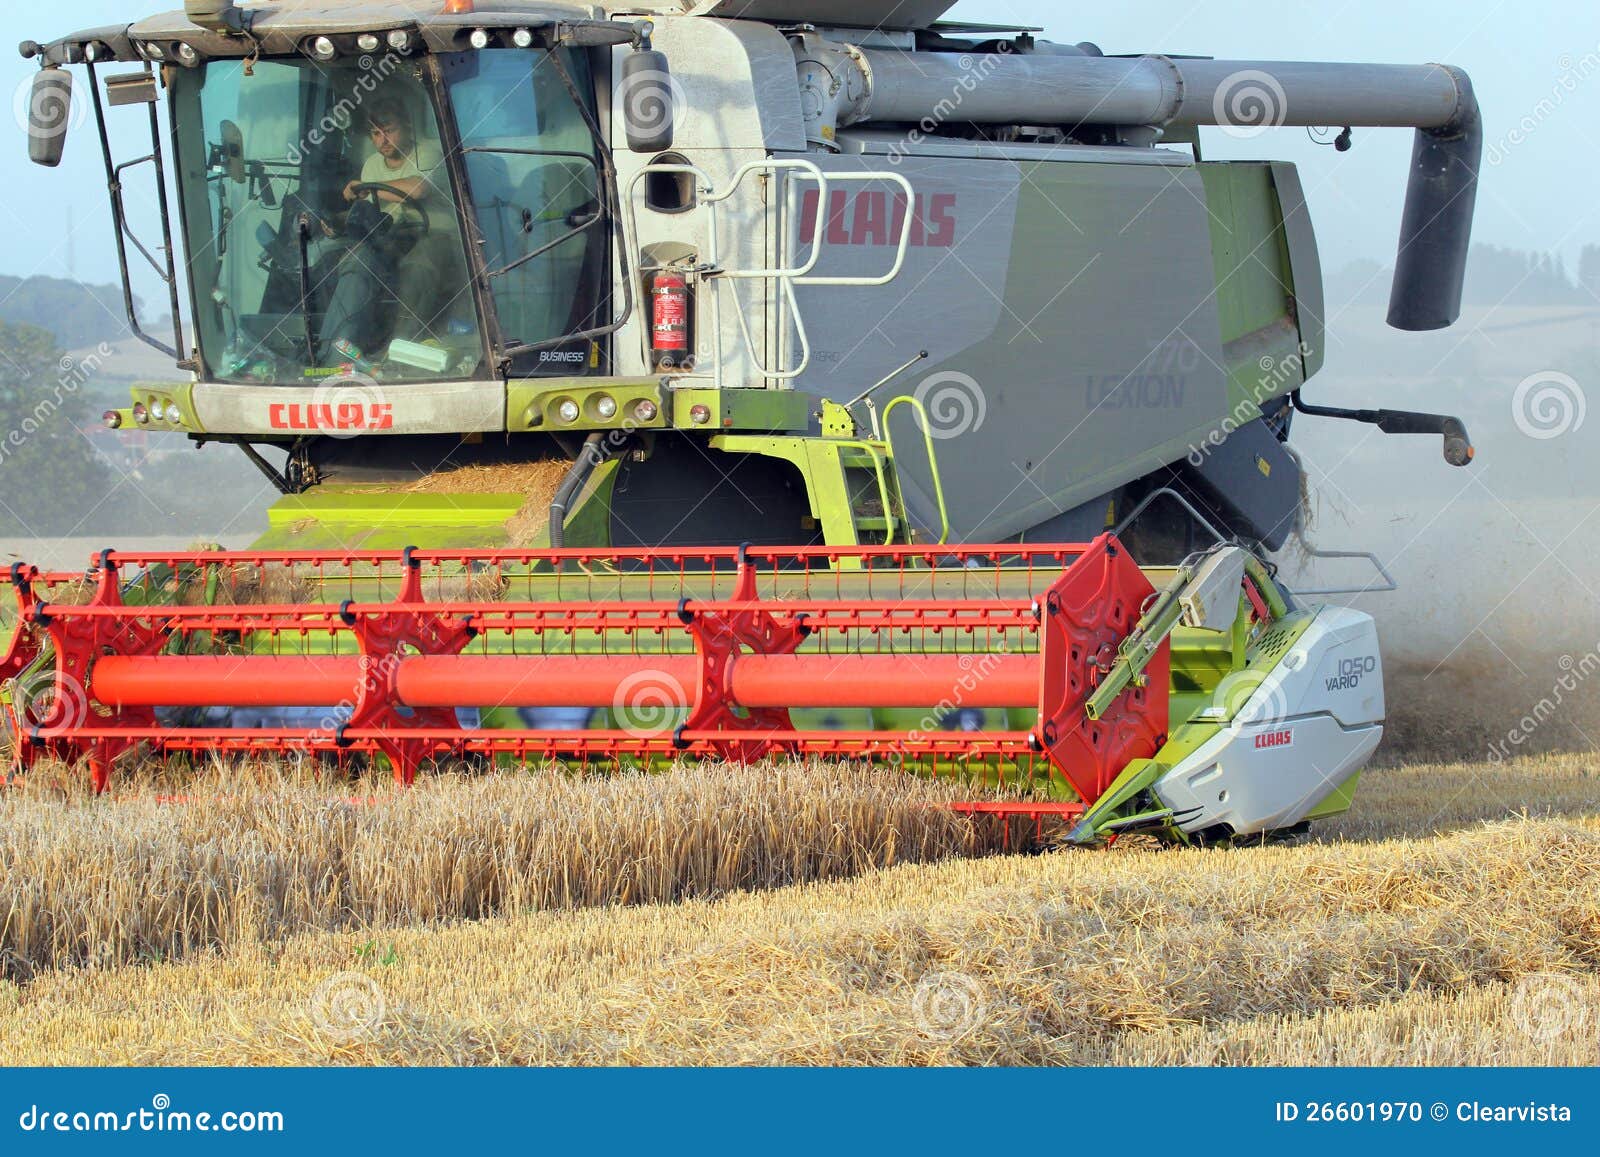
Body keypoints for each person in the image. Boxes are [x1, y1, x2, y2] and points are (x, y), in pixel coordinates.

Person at [317, 97, 465, 365]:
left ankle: (398, 353)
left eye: (389, 131)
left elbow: (418, 189)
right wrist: (338, 223)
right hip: (390, 237)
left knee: (419, 266)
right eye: (375, 133)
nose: (382, 140)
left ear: (408, 127)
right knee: (348, 260)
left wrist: (365, 186)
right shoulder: (372, 164)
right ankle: (335, 353)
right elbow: (367, 210)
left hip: (434, 236)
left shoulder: (429, 152)